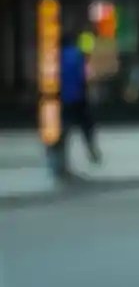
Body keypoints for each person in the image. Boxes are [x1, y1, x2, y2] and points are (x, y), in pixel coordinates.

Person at [50, 30, 103, 180]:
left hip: (62, 99)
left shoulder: (56, 57)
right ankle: (91, 148)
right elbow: (82, 77)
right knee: (87, 124)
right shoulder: (77, 55)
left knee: (62, 132)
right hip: (78, 97)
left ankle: (59, 163)